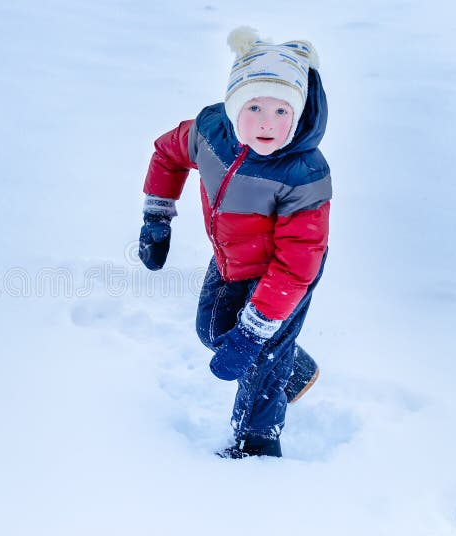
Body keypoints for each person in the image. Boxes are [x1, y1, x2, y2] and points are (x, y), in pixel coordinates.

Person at [138, 27, 331, 458]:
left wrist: (255, 330)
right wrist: (157, 217)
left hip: (285, 277)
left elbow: (297, 264)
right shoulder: (209, 134)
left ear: (298, 115)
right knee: (212, 331)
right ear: (233, 105)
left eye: (283, 111)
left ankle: (256, 448)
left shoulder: (303, 173)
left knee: (258, 358)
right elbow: (167, 154)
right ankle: (295, 370)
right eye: (256, 106)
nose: (268, 122)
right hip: (232, 258)